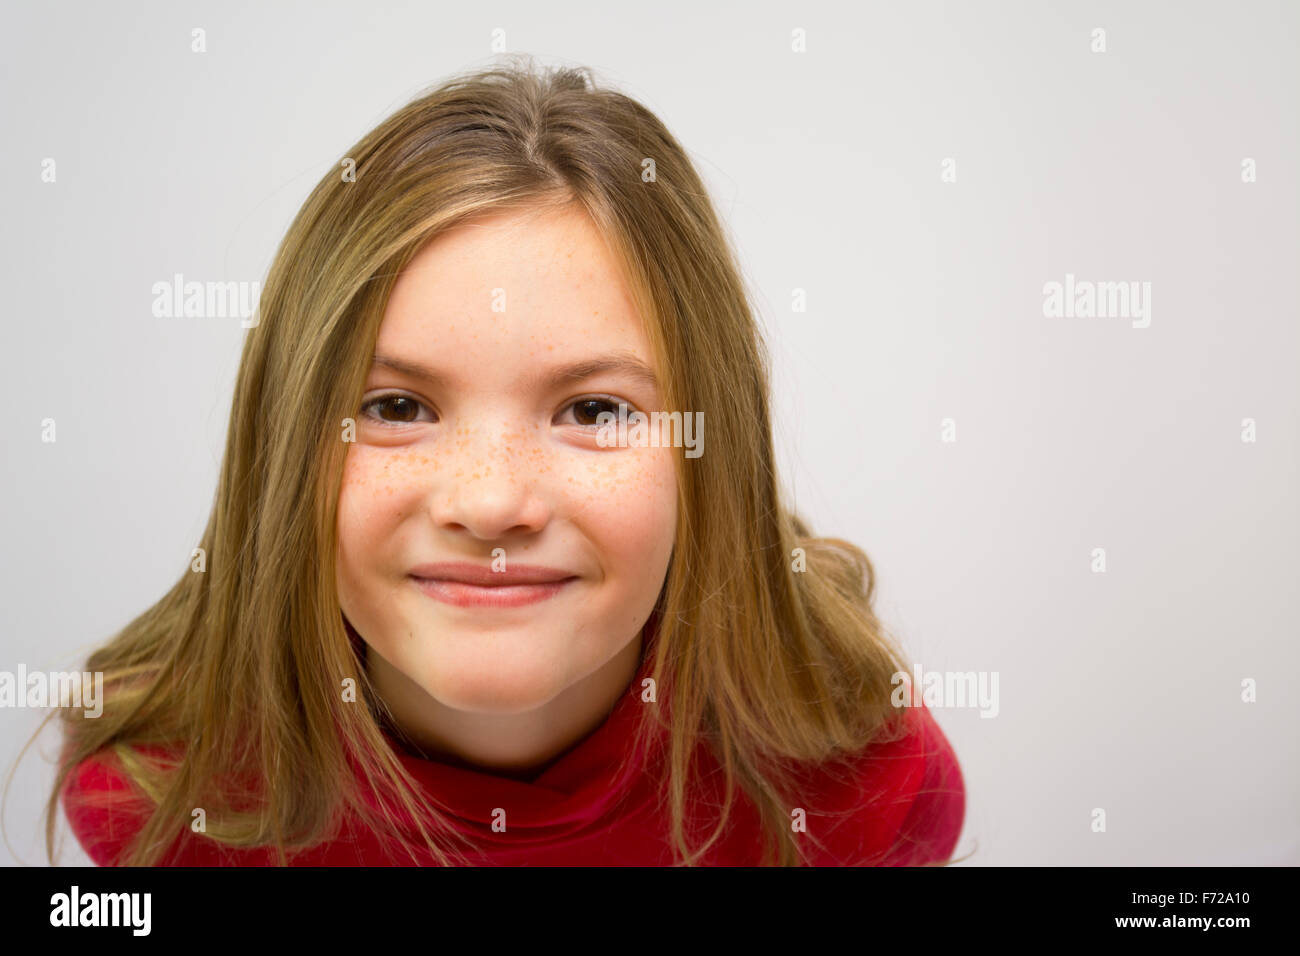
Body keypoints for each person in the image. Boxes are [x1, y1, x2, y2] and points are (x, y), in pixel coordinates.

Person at [45, 57, 965, 866]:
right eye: (396, 408)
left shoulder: (856, 792)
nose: (490, 504)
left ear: (706, 459)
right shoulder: (166, 801)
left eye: (595, 410)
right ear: (282, 449)